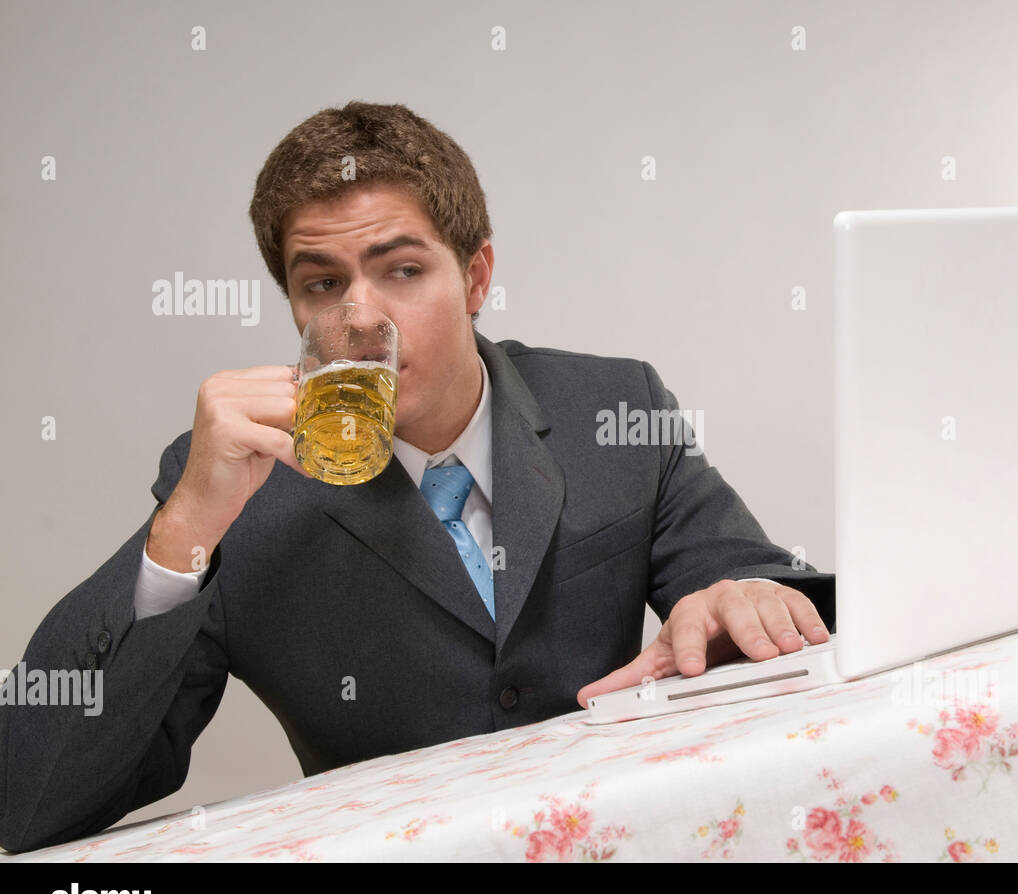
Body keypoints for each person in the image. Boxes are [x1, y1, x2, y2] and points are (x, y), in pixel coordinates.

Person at [0, 101, 834, 853]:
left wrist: (748, 598)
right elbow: (29, 801)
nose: (361, 317)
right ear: (295, 309)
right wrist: (180, 535)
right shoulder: (230, 490)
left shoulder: (613, 407)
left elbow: (770, 599)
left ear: (474, 276)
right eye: (323, 283)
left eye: (402, 270)